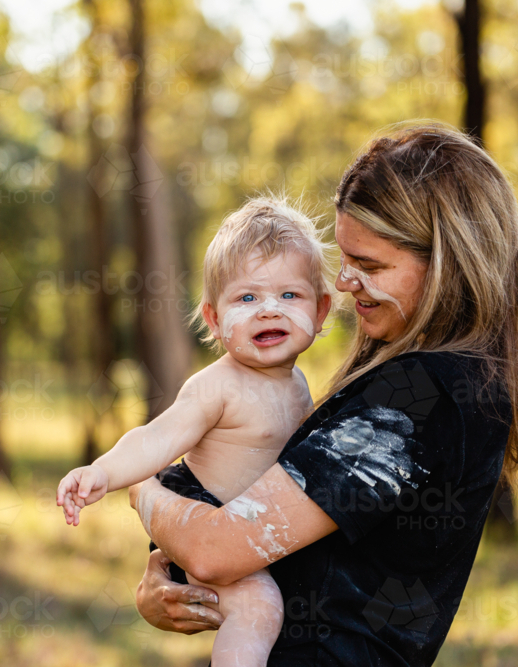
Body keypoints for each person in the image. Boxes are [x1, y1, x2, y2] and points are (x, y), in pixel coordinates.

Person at [129, 123, 518, 666]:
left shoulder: (421, 395)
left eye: (370, 265)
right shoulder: (440, 378)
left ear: (449, 263)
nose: (346, 282)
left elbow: (216, 548)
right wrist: (167, 583)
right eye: (346, 260)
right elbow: (267, 544)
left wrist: (143, 490)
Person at [57, 196, 334, 666]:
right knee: (259, 607)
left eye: (289, 296)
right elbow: (157, 437)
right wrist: (104, 472)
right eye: (247, 298)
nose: (269, 311)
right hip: (201, 514)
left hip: (251, 530)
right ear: (214, 319)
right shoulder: (217, 386)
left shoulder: (300, 384)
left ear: (322, 309)